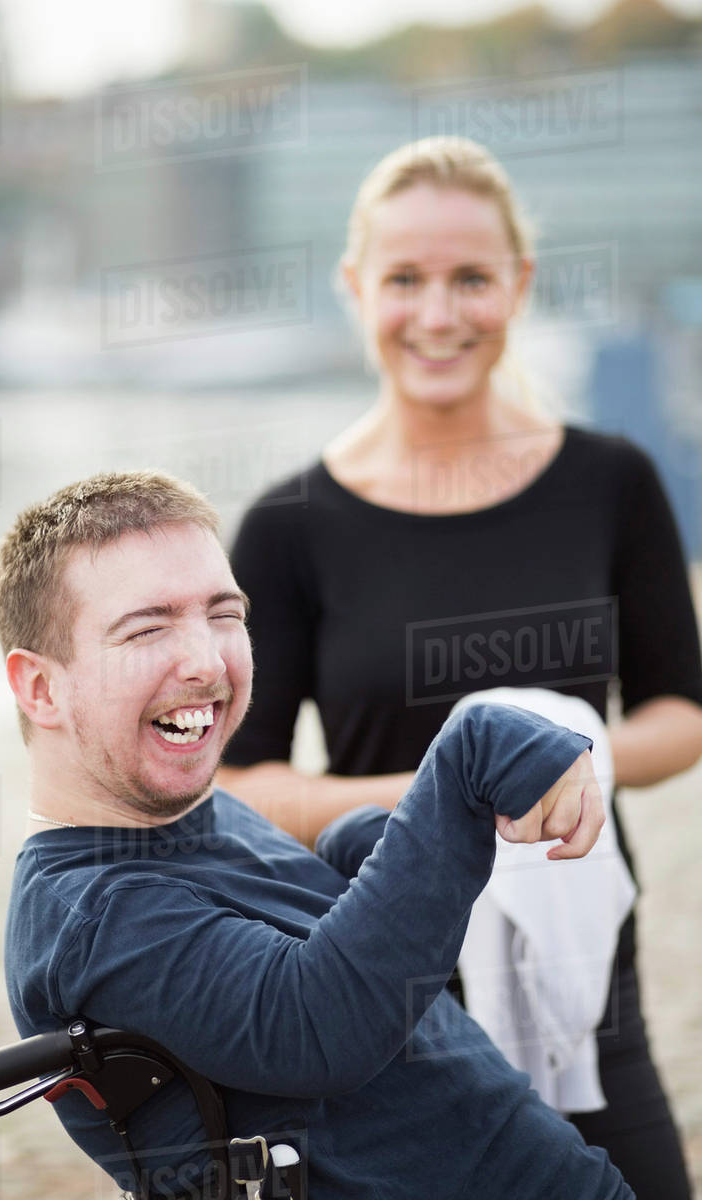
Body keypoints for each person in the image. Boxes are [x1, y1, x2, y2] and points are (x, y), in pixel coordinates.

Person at [218, 136, 702, 1196]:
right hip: (389, 1007)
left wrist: (561, 756)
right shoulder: (288, 526)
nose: (437, 315)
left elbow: (681, 714)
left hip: (587, 995)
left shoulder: (609, 481)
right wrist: (459, 788)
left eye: (469, 278)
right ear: (355, 288)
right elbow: (242, 783)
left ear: (518, 286)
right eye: (403, 279)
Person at [0, 469, 632, 1200]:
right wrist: (473, 749)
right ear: (41, 688)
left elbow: (322, 933)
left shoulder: (185, 810)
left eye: (223, 614)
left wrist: (364, 849)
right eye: (148, 628)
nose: (206, 661)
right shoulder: (94, 913)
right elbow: (317, 1027)